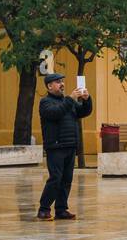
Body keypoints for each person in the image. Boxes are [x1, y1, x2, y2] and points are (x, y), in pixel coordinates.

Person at [37, 72, 91, 220]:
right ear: (49, 86)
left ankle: (61, 209)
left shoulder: (68, 101)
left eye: (62, 81)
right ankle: (43, 209)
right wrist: (70, 99)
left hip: (70, 145)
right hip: (55, 147)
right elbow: (56, 113)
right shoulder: (45, 102)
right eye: (58, 82)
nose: (62, 84)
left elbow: (83, 112)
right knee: (55, 178)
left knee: (67, 179)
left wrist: (87, 100)